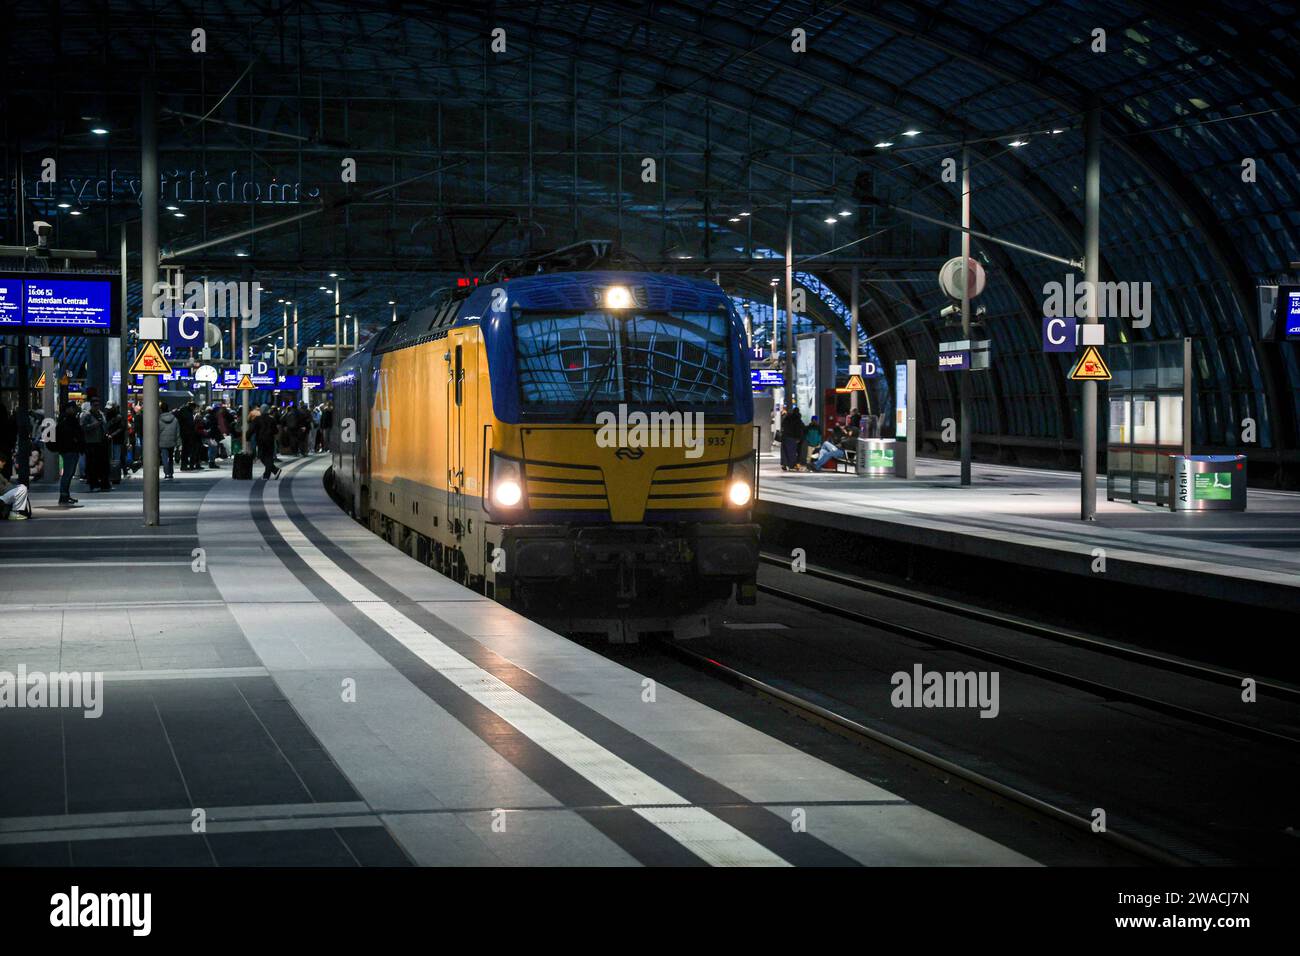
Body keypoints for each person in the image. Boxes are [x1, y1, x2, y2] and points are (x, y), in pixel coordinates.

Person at [52, 401, 84, 505]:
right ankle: (63, 496)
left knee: (69, 474)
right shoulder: (66, 421)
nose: (74, 410)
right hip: (69, 450)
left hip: (70, 450)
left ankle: (66, 495)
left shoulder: (69, 420)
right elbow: (68, 435)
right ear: (68, 409)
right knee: (67, 474)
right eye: (73, 408)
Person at [80, 399, 112, 493]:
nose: (96, 407)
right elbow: (83, 428)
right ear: (91, 405)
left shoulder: (101, 414)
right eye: (94, 405)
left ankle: (104, 483)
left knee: (103, 464)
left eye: (98, 405)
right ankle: (93, 483)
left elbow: (105, 425)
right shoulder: (86, 415)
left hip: (101, 442)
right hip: (91, 442)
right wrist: (94, 425)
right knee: (92, 464)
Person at [251, 405, 281, 479]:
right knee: (269, 457)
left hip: (260, 441)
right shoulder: (272, 419)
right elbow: (276, 431)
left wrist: (247, 437)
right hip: (270, 441)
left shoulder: (257, 419)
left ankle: (268, 474)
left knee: (262, 456)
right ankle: (275, 470)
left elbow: (252, 429)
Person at [104, 403, 126, 483]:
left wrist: (111, 435)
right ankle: (113, 473)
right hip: (112, 438)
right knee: (113, 457)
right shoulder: (108, 416)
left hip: (116, 439)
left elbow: (121, 428)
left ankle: (115, 474)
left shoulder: (119, 417)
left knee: (116, 457)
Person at [779, 405, 804, 471]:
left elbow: (783, 425)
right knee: (791, 452)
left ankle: (784, 464)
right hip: (792, 437)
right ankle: (791, 465)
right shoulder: (797, 419)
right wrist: (799, 438)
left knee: (784, 452)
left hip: (785, 437)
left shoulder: (787, 418)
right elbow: (799, 430)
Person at [158, 401, 180, 479]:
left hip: (162, 442)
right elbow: (177, 432)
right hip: (172, 441)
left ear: (161, 409)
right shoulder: (175, 419)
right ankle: (171, 473)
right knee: (171, 458)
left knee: (164, 458)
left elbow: (157, 431)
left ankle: (166, 473)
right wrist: (178, 443)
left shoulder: (159, 420)